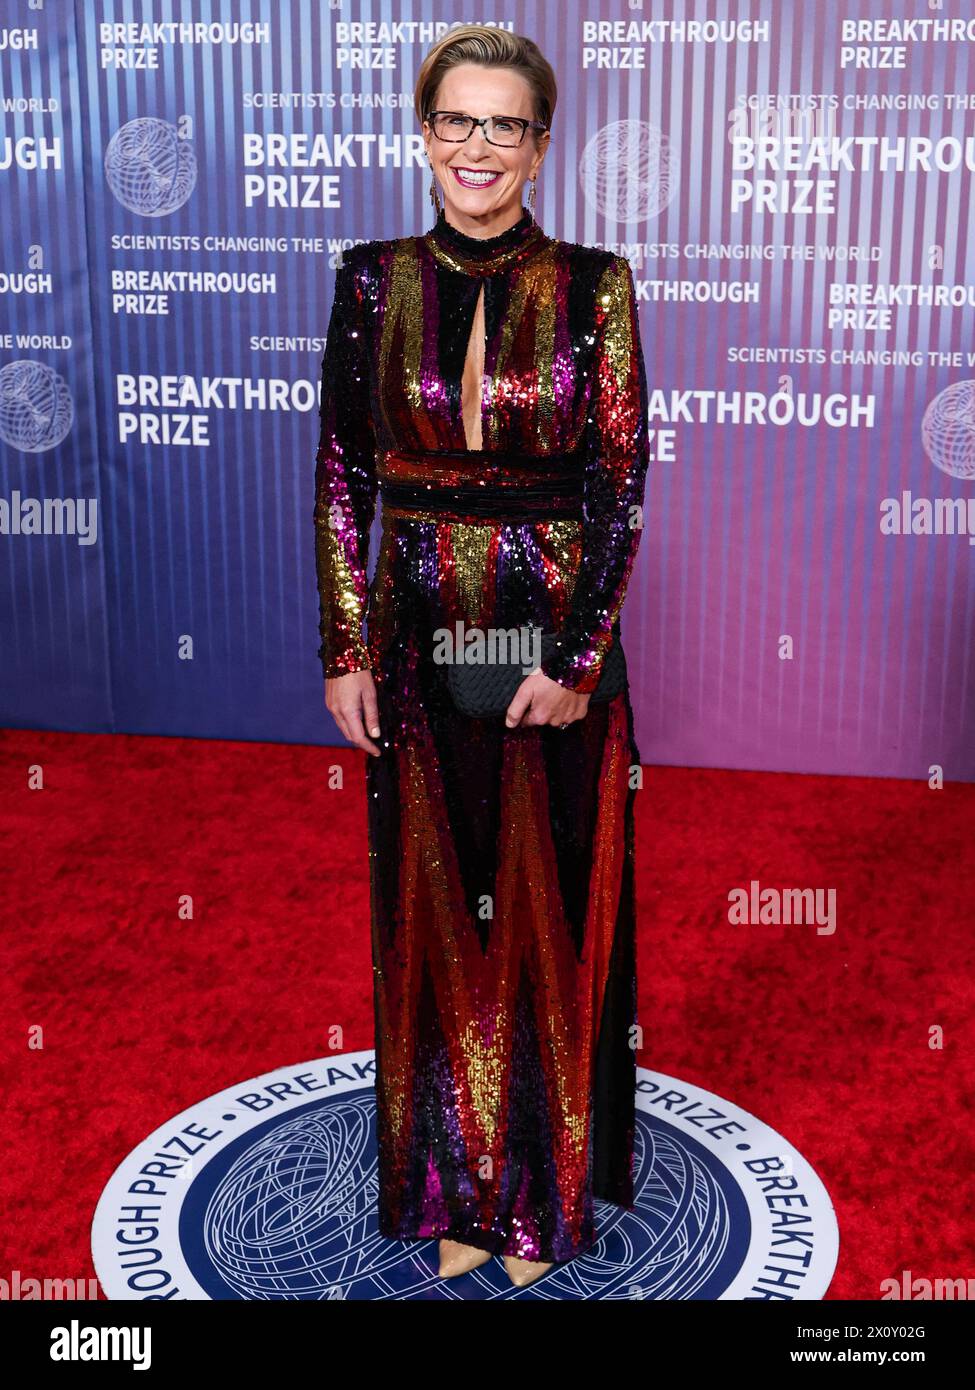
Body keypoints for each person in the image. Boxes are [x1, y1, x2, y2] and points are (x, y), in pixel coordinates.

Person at [313, 25, 649, 1289]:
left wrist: (576, 653)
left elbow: (620, 481)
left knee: (550, 902)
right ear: (423, 130)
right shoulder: (366, 279)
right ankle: (457, 1185)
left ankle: (542, 1196)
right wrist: (346, 640)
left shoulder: (595, 284)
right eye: (459, 121)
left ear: (540, 145)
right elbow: (346, 472)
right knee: (434, 905)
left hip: (549, 628)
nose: (479, 148)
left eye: (506, 125)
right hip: (415, 633)